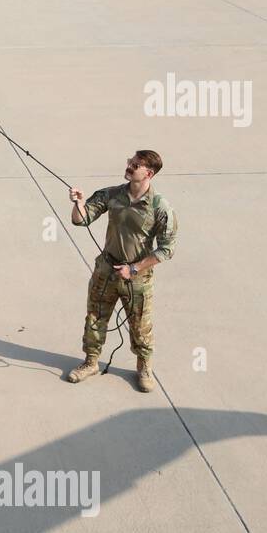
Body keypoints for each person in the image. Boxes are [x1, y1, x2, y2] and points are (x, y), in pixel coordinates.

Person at [67, 150, 178, 392]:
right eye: (130, 161)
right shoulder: (113, 194)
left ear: (148, 173)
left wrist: (135, 268)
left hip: (136, 277)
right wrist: (79, 204)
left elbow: (167, 249)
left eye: (135, 164)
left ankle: (144, 368)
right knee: (95, 318)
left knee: (140, 326)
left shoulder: (160, 207)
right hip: (106, 270)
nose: (129, 166)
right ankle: (91, 362)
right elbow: (81, 220)